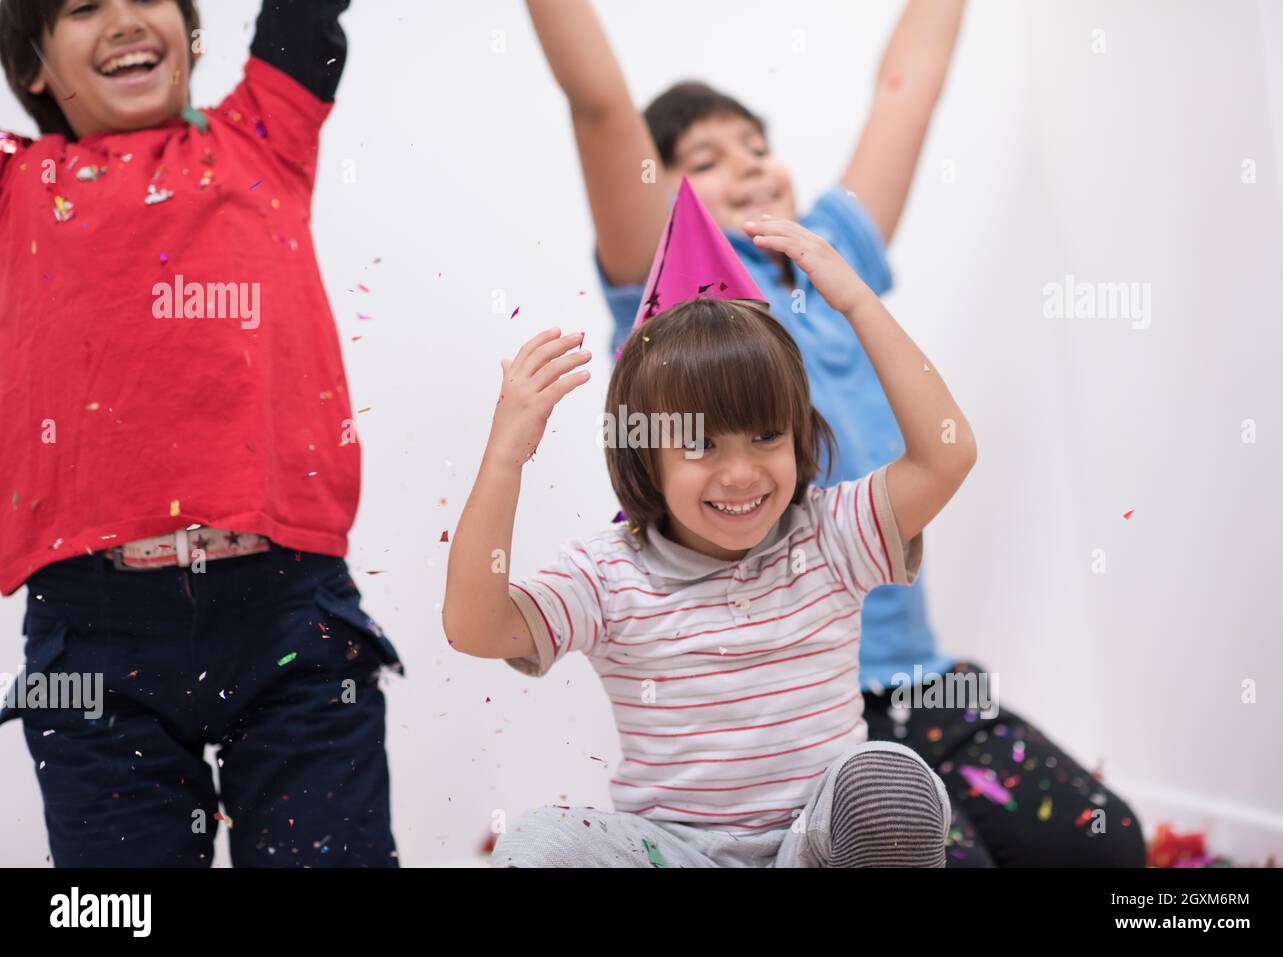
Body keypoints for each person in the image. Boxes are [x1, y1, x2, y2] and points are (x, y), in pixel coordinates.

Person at [523, 0, 1146, 866]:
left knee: (1108, 846)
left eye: (755, 146)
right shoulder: (665, 304)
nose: (749, 165)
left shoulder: (830, 258)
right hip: (807, 732)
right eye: (706, 159)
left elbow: (907, 92)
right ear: (659, 195)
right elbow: (599, 106)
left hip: (924, 682)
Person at [444, 180, 977, 867]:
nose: (740, 474)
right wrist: (505, 456)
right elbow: (475, 625)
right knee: (540, 841)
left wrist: (853, 301)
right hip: (675, 854)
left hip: (812, 850)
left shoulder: (831, 534)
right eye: (700, 445)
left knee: (889, 780)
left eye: (765, 436)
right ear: (646, 454)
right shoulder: (609, 572)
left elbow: (948, 452)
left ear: (797, 435)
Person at [0, 0, 401, 867]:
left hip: (292, 613)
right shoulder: (13, 188)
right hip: (90, 641)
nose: (124, 21)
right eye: (81, 8)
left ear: (191, 31)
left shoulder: (265, 131)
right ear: (32, 65)